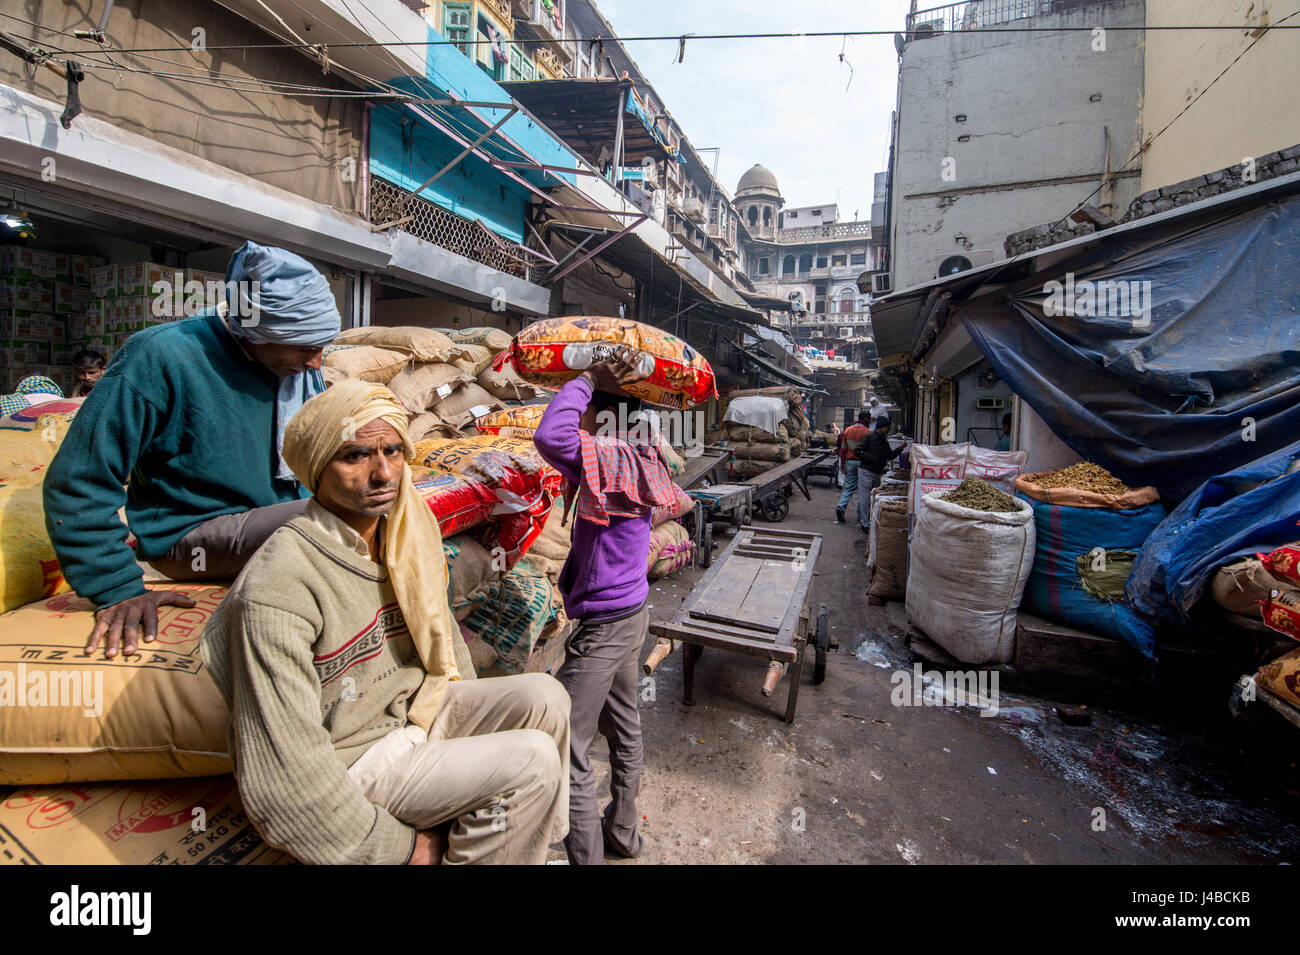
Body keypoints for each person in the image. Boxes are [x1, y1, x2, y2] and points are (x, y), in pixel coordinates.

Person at [201, 378, 570, 865]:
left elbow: (439, 638)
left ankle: (528, 846)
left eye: (394, 451)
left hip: (409, 716)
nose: (383, 473)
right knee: (531, 762)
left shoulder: (404, 534)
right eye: (355, 456)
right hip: (356, 760)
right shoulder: (279, 585)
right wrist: (403, 849)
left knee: (545, 698)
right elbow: (283, 782)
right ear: (316, 470)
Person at [44, 242, 337, 661]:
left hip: (266, 519)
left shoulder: (286, 366)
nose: (315, 362)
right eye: (305, 348)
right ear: (253, 331)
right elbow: (79, 478)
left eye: (321, 346)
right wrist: (116, 587)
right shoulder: (162, 356)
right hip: (191, 537)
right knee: (340, 518)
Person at [532, 345, 678, 865]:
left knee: (567, 746)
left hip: (607, 622)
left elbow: (550, 436)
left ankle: (588, 855)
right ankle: (622, 834)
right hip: (634, 610)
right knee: (626, 724)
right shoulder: (643, 456)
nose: (584, 418)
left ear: (606, 419)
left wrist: (589, 379)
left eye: (592, 412)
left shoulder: (609, 459)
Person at [855, 416, 905, 532]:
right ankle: (865, 523)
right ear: (881, 427)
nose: (888, 430)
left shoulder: (884, 441)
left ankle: (869, 520)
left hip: (877, 473)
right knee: (865, 498)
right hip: (866, 472)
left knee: (872, 498)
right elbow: (857, 451)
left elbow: (890, 456)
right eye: (887, 428)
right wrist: (872, 458)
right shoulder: (868, 437)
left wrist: (900, 449)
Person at [834, 408, 873, 524]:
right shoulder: (868, 432)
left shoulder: (848, 430)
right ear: (866, 419)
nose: (870, 421)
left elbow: (843, 449)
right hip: (862, 463)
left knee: (849, 487)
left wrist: (843, 463)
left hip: (850, 461)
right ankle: (861, 515)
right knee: (863, 489)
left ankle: (841, 506)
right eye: (869, 419)